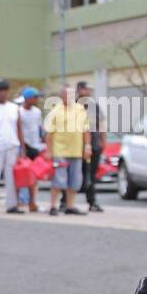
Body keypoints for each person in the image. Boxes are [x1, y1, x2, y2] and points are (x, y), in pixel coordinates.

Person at [44, 84, 89, 215]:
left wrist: (87, 146)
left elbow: (86, 130)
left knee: (74, 181)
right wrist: (49, 150)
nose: (70, 97)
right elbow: (49, 134)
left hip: (76, 151)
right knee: (59, 180)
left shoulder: (80, 110)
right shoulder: (55, 111)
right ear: (61, 96)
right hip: (60, 151)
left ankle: (70, 206)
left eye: (72, 94)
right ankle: (53, 206)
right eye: (67, 94)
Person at [0, 80, 26, 214]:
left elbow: (19, 128)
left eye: (5, 90)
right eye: (0, 90)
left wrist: (23, 149)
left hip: (12, 145)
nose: (3, 93)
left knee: (11, 176)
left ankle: (12, 204)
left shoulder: (14, 108)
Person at [77, 80, 107, 213]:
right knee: (75, 173)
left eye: (89, 89)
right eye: (86, 89)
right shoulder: (74, 105)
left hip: (94, 144)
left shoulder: (94, 105)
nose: (88, 92)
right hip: (77, 145)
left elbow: (101, 124)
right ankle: (65, 201)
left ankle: (92, 201)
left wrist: (103, 140)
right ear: (79, 89)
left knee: (91, 175)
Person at [17, 87, 44, 212]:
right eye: (35, 97)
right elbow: (17, 131)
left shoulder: (37, 112)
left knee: (33, 176)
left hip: (35, 146)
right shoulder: (19, 112)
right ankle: (19, 201)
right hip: (23, 147)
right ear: (28, 98)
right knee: (21, 175)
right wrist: (22, 148)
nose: (37, 99)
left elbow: (39, 129)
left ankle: (32, 202)